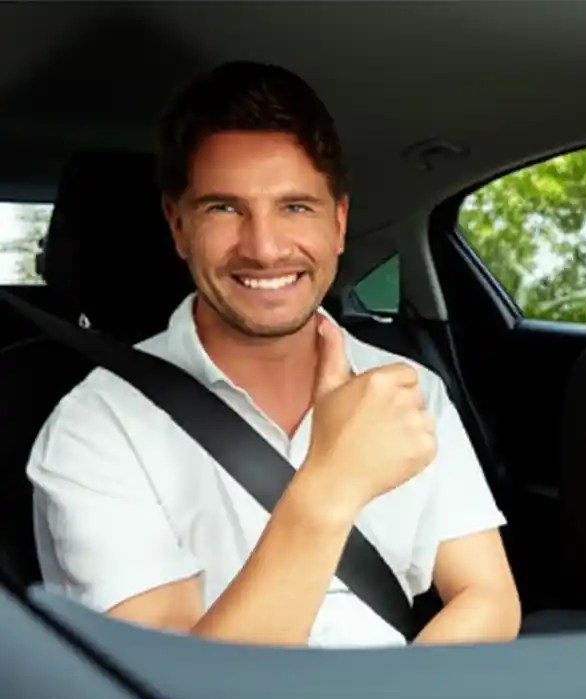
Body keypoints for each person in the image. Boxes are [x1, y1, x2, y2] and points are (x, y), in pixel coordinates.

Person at [26, 62, 521, 647]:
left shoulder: (405, 388)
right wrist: (330, 486)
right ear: (178, 226)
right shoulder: (96, 426)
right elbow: (183, 689)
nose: (264, 249)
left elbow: (488, 598)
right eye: (224, 208)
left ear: (338, 222)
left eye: (295, 207)